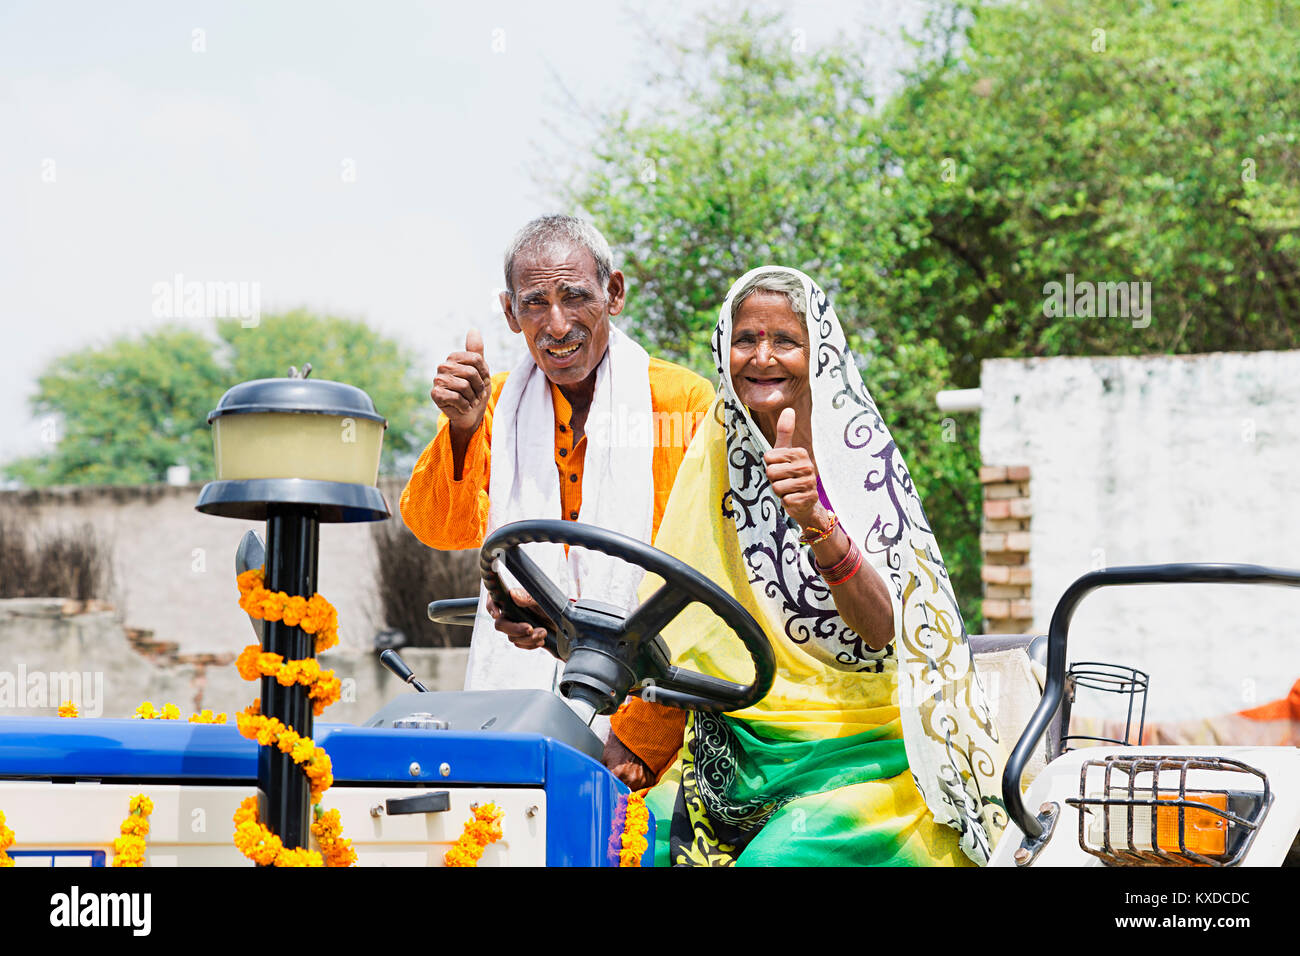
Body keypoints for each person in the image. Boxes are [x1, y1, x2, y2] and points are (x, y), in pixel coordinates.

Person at [614, 266, 1005, 865]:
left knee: (776, 860)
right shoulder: (715, 449)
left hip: (864, 742)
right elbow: (680, 624)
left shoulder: (855, 456)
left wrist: (816, 519)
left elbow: (888, 630)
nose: (762, 357)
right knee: (624, 839)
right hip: (739, 739)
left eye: (785, 342)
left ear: (816, 353)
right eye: (745, 339)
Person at [400, 214, 712, 786]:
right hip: (519, 697)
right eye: (535, 303)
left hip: (656, 709)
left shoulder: (682, 401)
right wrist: (465, 430)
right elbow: (437, 528)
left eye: (574, 297)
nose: (557, 324)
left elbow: (702, 578)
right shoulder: (491, 402)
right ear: (509, 312)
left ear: (613, 293)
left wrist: (640, 733)